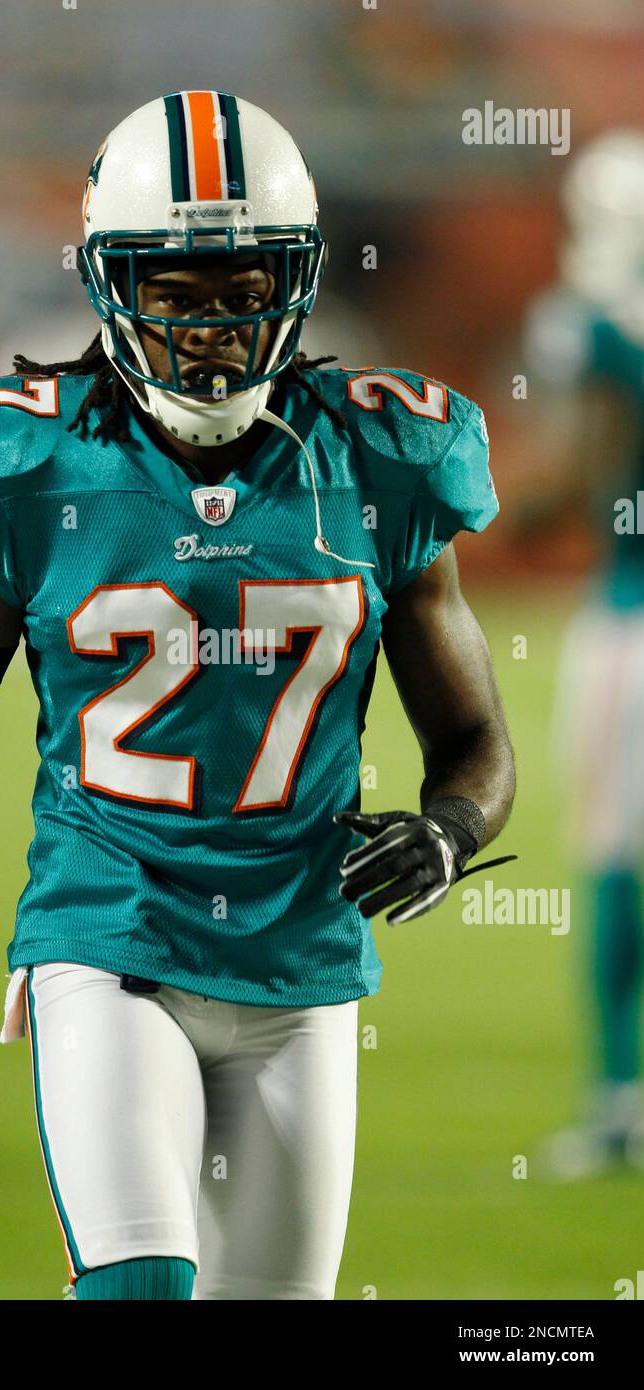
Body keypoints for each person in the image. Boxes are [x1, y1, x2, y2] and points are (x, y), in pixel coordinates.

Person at [0, 90, 514, 1300]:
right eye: (173, 292)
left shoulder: (383, 462)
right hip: (109, 938)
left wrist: (448, 832)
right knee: (140, 1290)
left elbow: (473, 739)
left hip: (302, 965)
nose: (213, 332)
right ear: (105, 284)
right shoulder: (26, 472)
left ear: (297, 279)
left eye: (242, 289)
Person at [523, 131, 644, 1179]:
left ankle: (617, 1095)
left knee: (612, 856)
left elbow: (569, 480)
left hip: (630, 620)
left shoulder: (595, 327)